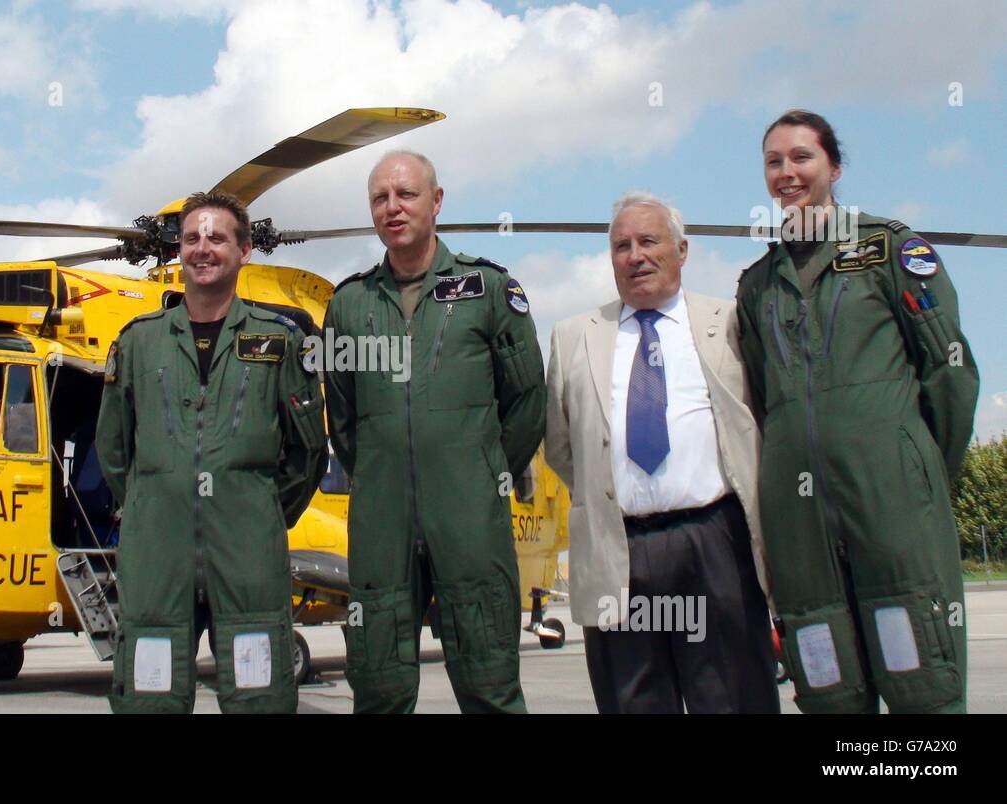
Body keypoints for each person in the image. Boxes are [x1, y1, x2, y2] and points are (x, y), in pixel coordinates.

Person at [736, 110, 979, 714]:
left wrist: (917, 468)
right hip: (800, 518)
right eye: (774, 161)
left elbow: (949, 371)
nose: (786, 172)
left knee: (921, 672)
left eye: (801, 157)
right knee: (827, 679)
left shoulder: (892, 249)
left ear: (833, 166)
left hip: (893, 501)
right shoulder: (758, 283)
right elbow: (764, 402)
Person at [324, 150, 545, 714]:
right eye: (380, 197)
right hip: (380, 526)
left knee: (489, 679)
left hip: (470, 516)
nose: (392, 208)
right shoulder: (349, 304)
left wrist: (480, 470)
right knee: (377, 688)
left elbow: (526, 399)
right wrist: (380, 473)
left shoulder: (489, 289)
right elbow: (342, 418)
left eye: (406, 194)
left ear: (437, 201)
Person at [545, 192, 778, 713]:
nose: (635, 255)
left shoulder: (732, 322)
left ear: (682, 249)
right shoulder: (573, 336)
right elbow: (562, 448)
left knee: (734, 697)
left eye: (649, 241)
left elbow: (762, 421)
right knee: (633, 702)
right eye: (621, 246)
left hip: (714, 543)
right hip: (618, 551)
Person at [96, 190, 326, 714]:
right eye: (192, 238)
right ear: (178, 250)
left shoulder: (279, 340)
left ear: (244, 251)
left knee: (258, 699)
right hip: (157, 559)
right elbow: (112, 448)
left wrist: (260, 510)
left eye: (217, 238)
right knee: (147, 702)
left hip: (249, 559)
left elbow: (308, 449)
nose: (203, 248)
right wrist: (151, 506)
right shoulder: (138, 342)